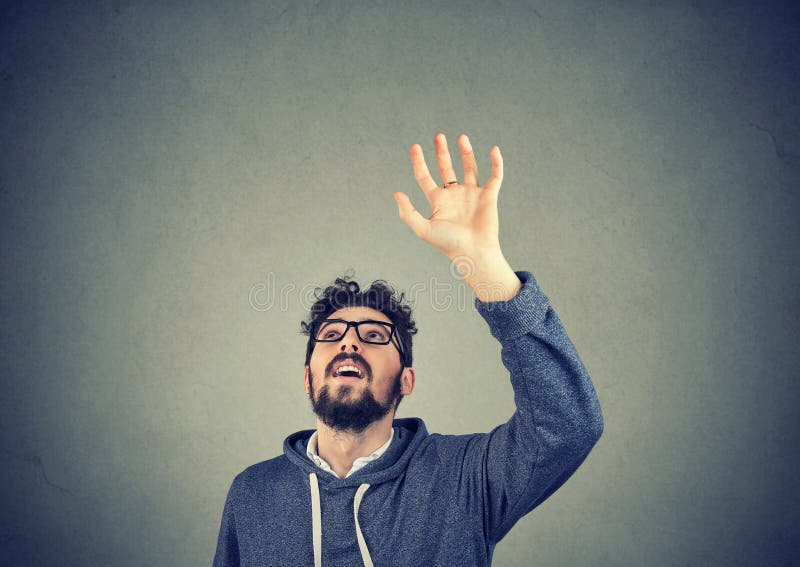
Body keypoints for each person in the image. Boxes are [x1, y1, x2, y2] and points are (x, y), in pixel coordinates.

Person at [213, 133, 604, 566]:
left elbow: (568, 425)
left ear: (406, 380)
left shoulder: (465, 477)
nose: (349, 341)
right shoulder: (251, 493)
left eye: (375, 336)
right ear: (306, 376)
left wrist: (485, 263)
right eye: (331, 334)